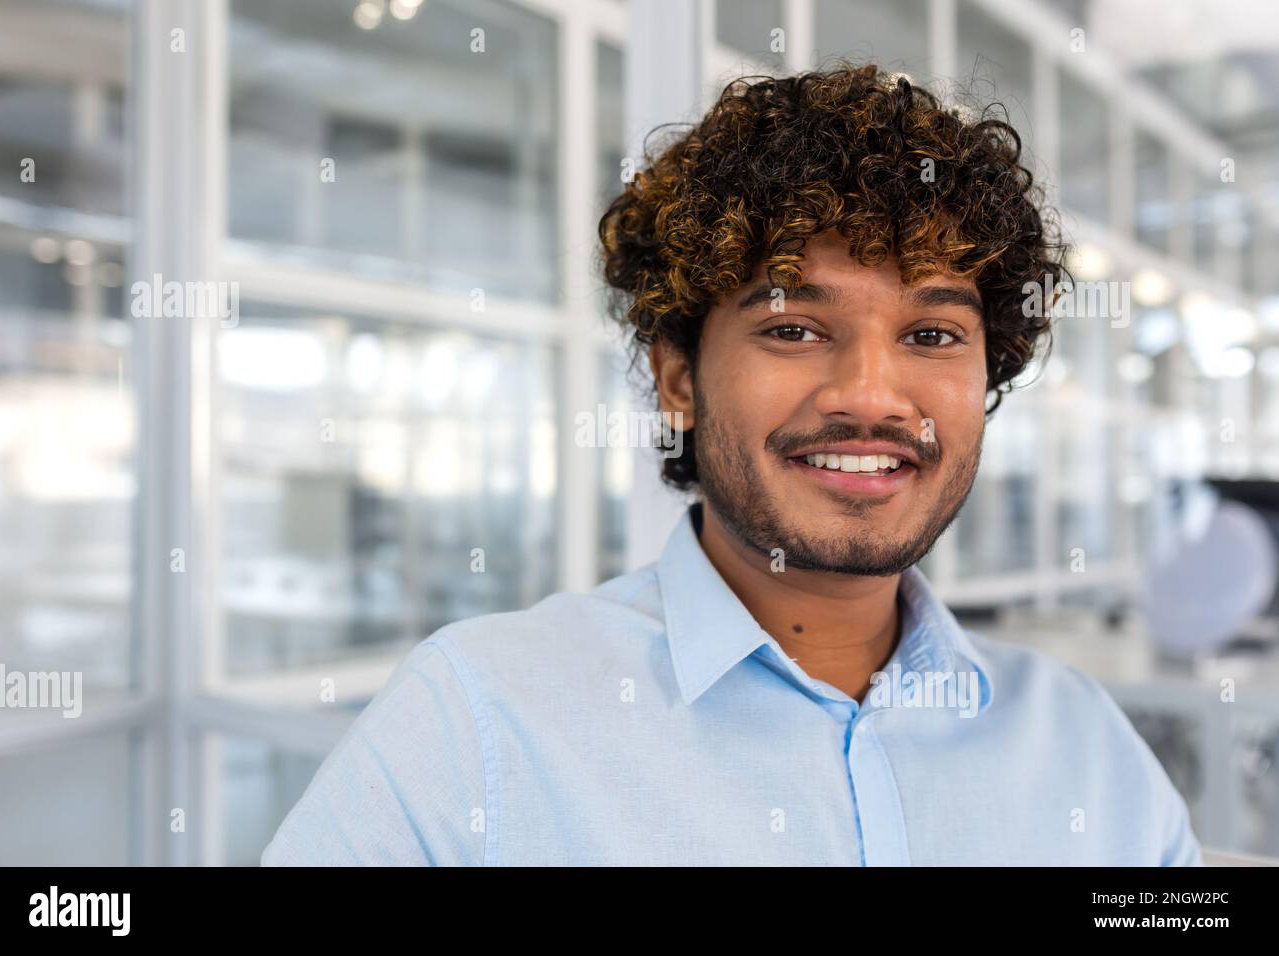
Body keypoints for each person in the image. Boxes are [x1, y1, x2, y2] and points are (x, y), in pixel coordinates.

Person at [262, 62, 1202, 866]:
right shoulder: (477, 724)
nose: (871, 395)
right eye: (793, 327)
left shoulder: (1087, 753)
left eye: (931, 332)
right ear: (678, 377)